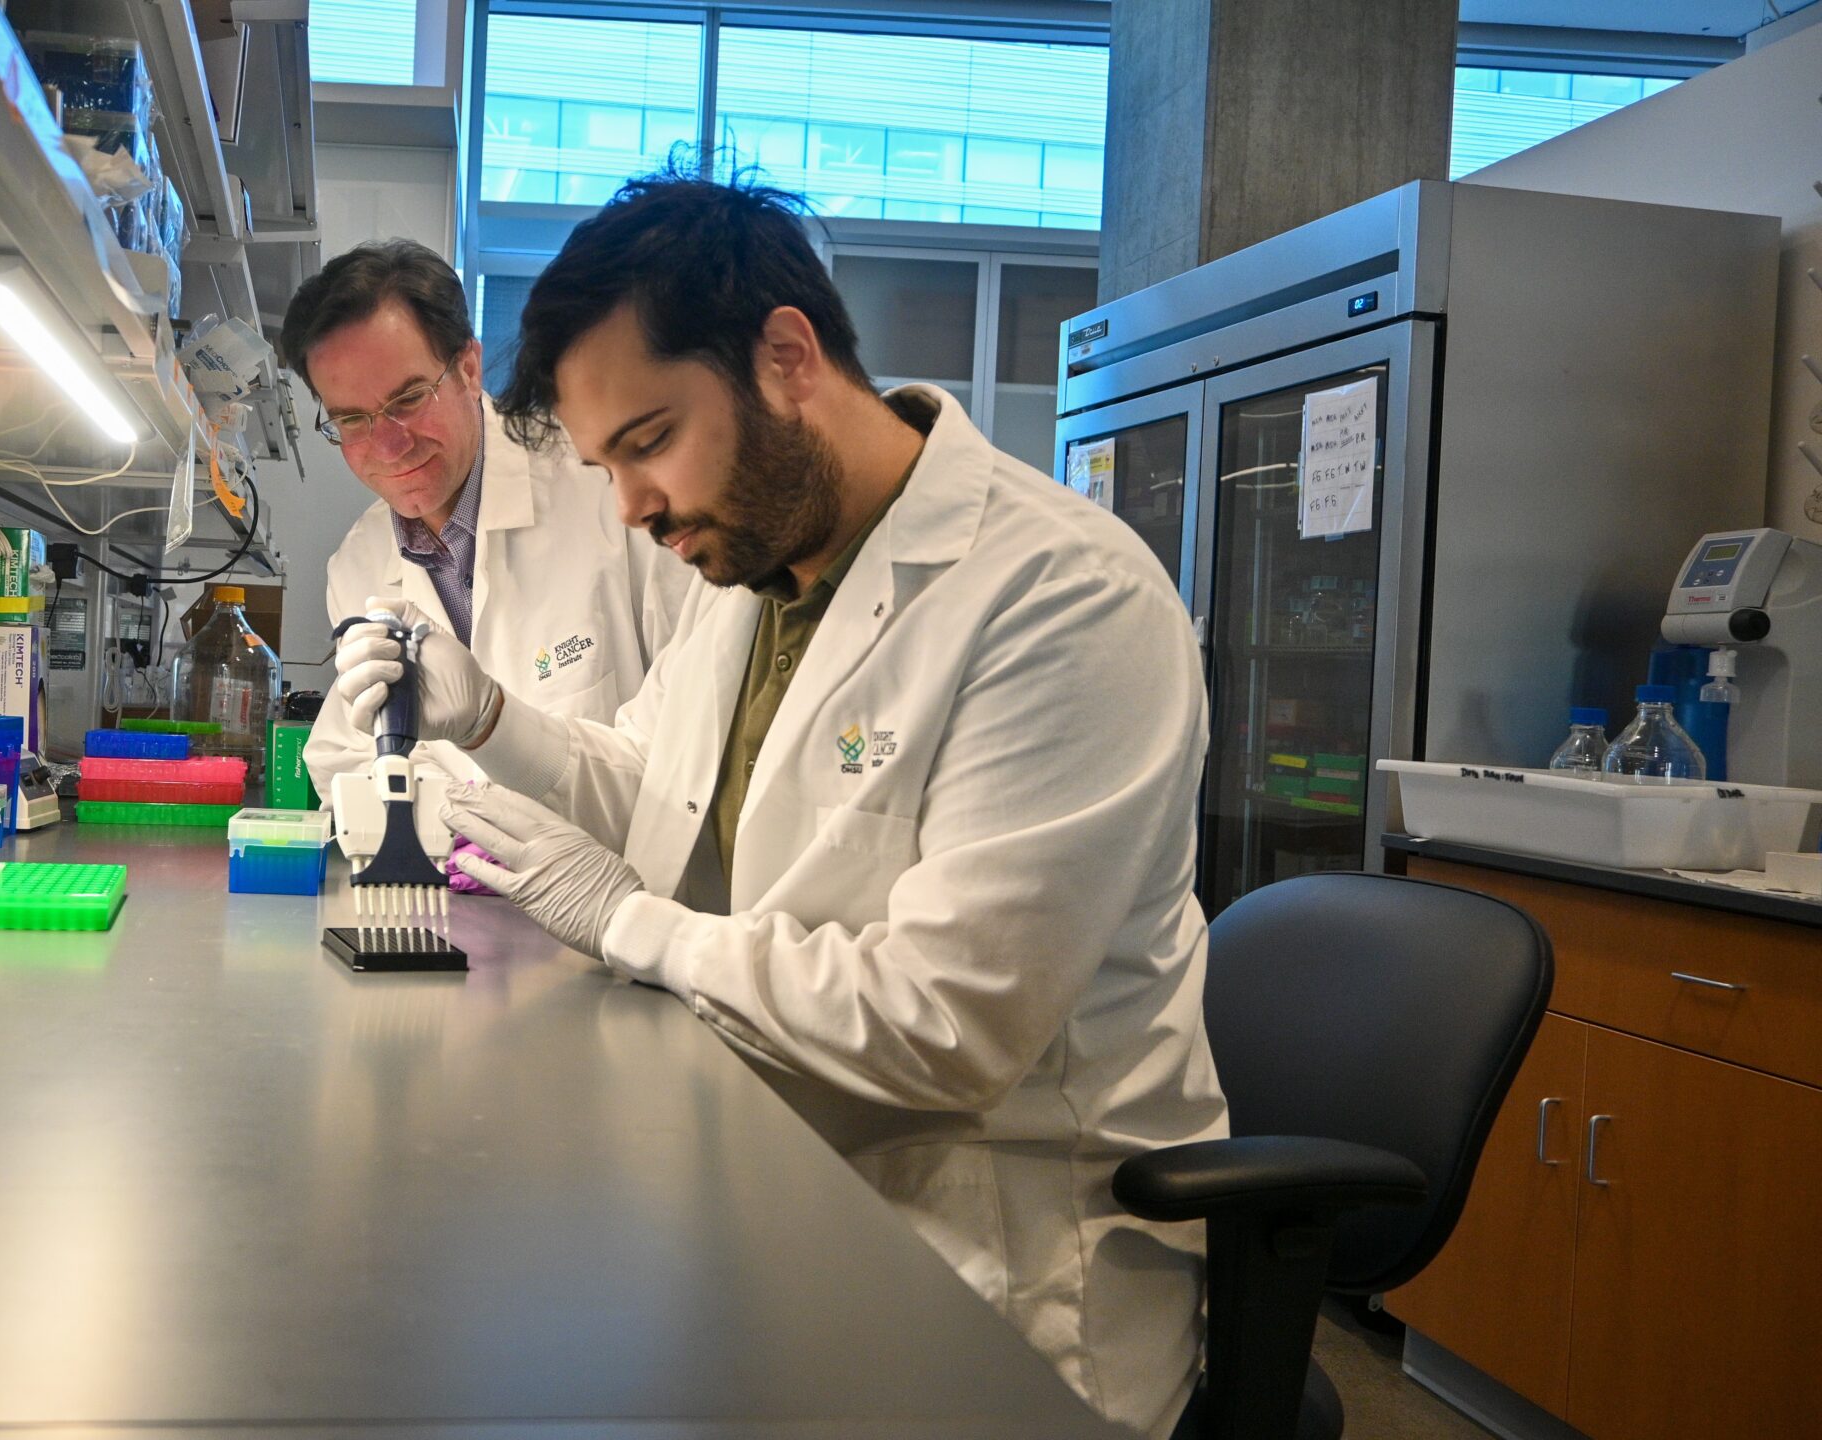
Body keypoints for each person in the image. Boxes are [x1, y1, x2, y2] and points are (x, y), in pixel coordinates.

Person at [327, 175, 1228, 1438]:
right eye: (605, 465)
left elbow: (944, 1025)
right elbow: (651, 785)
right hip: (763, 1174)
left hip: (988, 1270)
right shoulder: (756, 576)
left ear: (788, 356)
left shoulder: (1060, 598)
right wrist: (486, 717)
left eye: (646, 443)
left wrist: (631, 922)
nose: (631, 508)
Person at [279, 240, 692, 790]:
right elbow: (362, 761)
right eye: (353, 420)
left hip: (620, 868)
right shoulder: (357, 566)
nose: (389, 445)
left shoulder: (610, 492)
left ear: (469, 368)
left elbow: (696, 727)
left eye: (408, 400)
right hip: (451, 870)